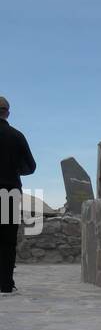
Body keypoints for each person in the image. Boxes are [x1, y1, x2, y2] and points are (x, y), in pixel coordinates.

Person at [0, 96, 36, 294]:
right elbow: (31, 166)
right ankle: (5, 284)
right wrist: (15, 170)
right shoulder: (16, 136)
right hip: (9, 192)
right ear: (7, 113)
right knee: (7, 240)